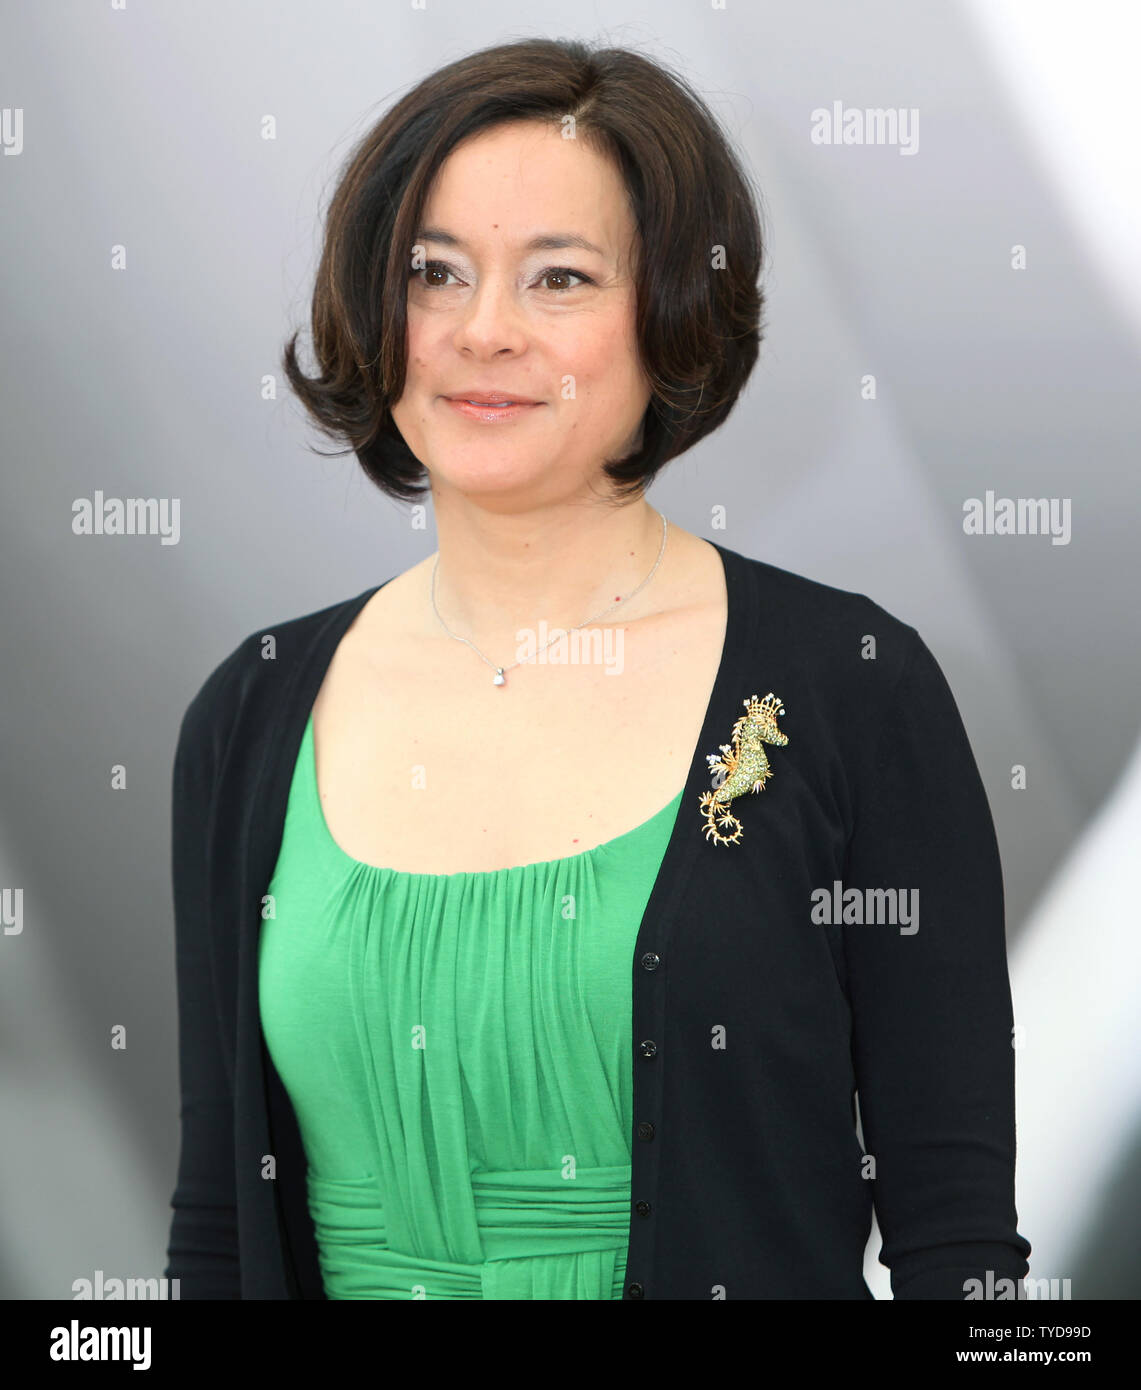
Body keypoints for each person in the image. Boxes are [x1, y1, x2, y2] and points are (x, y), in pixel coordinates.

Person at [164, 37, 1031, 1300]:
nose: (482, 332)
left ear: (673, 309)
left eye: (557, 278)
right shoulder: (248, 710)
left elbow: (963, 1250)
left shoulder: (851, 686)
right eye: (431, 272)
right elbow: (209, 1226)